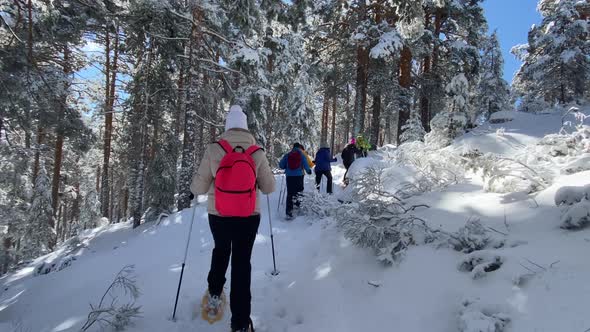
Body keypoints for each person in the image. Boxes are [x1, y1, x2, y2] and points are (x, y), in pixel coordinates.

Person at [191, 105, 275, 332]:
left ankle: (215, 294)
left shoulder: (214, 149)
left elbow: (199, 186)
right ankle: (240, 322)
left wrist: (199, 185)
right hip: (248, 216)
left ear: (227, 126)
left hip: (218, 214)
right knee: (241, 263)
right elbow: (269, 187)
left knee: (220, 250)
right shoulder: (257, 152)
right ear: (246, 127)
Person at [279, 143, 312, 219]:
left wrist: (286, 167)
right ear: (299, 147)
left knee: (290, 193)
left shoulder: (288, 155)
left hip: (289, 176)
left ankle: (288, 212)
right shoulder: (302, 155)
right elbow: (305, 164)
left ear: (293, 147)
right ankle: (298, 207)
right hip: (299, 175)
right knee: (299, 191)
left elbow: (281, 165)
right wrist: (308, 171)